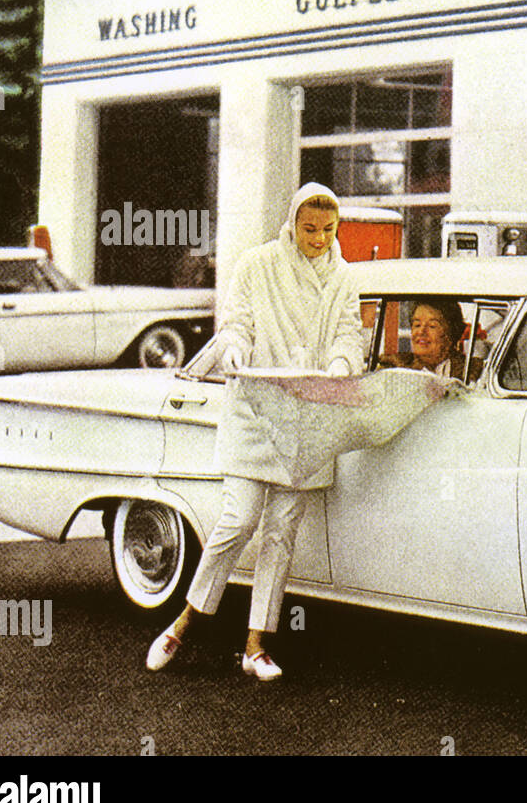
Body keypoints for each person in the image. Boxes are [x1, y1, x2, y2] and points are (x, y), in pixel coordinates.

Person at [146, 182, 364, 681]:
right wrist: (235, 351)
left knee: (281, 534)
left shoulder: (343, 277)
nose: (319, 239)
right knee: (238, 521)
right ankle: (181, 624)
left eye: (328, 230)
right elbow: (235, 323)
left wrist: (340, 363)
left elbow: (349, 333)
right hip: (255, 411)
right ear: (292, 222)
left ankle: (255, 646)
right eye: (310, 229)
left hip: (309, 419)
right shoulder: (256, 264)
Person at [379, 299, 483, 382]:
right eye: (417, 325)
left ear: (451, 334)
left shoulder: (474, 370)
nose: (421, 332)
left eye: (432, 326)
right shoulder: (395, 368)